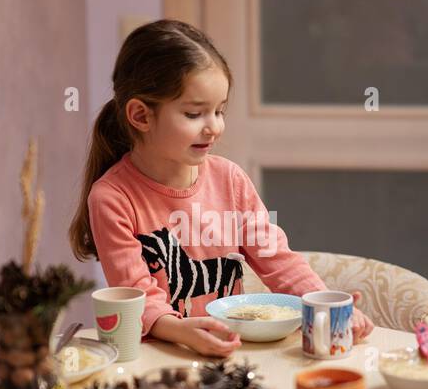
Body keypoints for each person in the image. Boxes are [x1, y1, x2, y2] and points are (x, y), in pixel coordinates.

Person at [70, 20, 374, 358]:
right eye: (194, 114)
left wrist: (323, 303)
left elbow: (277, 260)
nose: (214, 126)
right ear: (141, 116)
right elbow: (137, 295)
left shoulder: (230, 179)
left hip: (231, 355)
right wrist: (182, 331)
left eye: (219, 111)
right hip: (163, 359)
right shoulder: (112, 198)